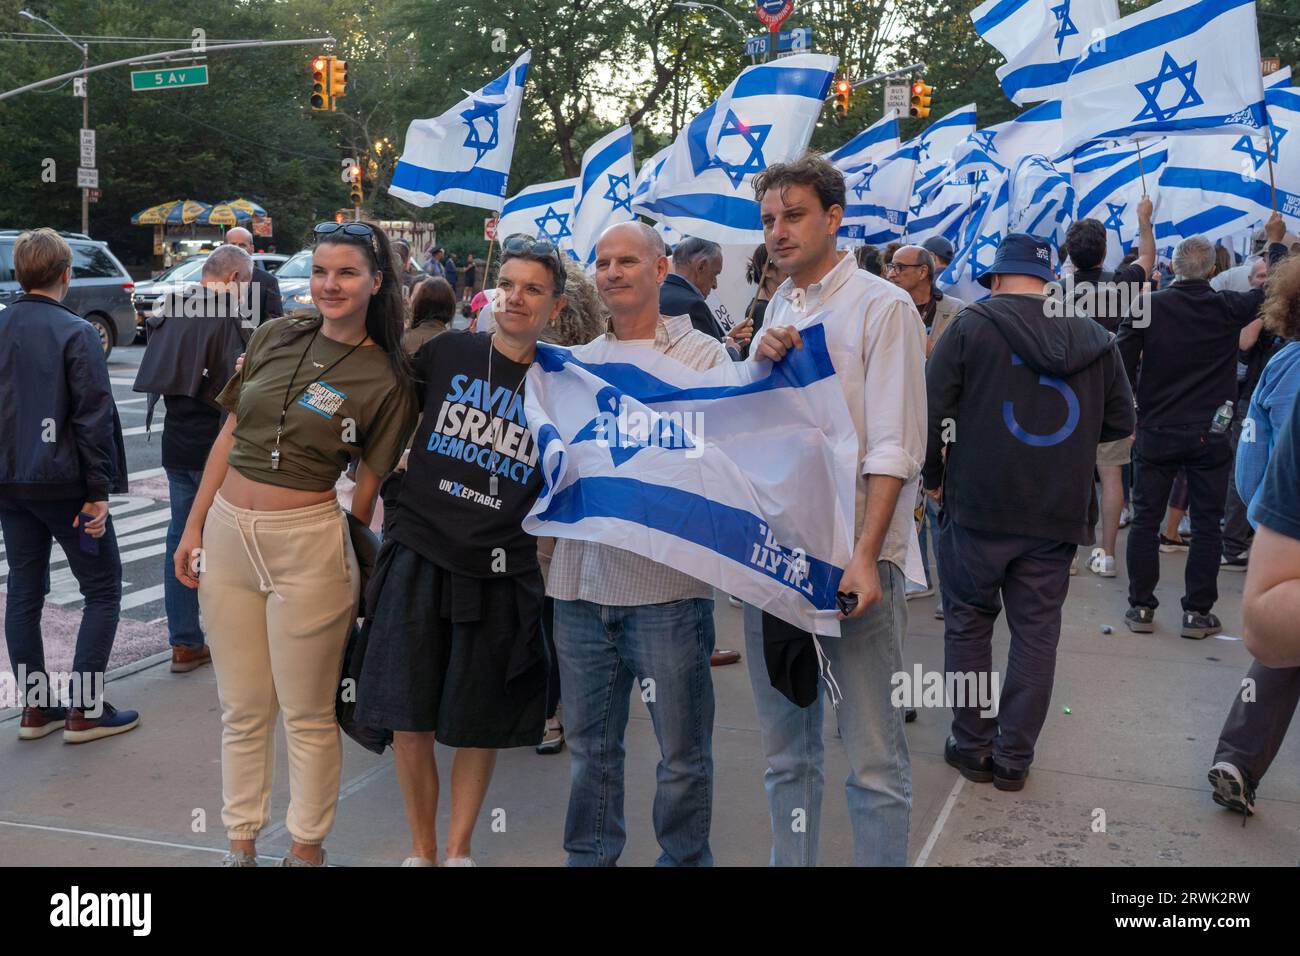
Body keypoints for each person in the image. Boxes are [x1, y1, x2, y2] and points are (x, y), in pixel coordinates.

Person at [175, 221, 418, 867]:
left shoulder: (388, 377)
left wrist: (331, 540)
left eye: (344, 273)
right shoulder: (276, 333)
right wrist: (195, 525)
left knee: (308, 712)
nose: (329, 284)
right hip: (228, 532)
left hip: (308, 542)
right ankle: (241, 846)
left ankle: (306, 848)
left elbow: (368, 487)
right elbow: (229, 433)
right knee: (242, 707)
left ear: (375, 281)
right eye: (319, 271)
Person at [353, 234, 566, 867]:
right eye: (509, 284)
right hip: (418, 551)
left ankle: (459, 849)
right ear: (493, 291)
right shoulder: (448, 351)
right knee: (406, 713)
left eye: (534, 289)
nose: (517, 298)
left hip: (501, 570)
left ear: (555, 305)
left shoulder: (564, 382)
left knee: (479, 718)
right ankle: (421, 850)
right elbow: (380, 404)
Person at [748, 154, 926, 866]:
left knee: (873, 761)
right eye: (768, 220)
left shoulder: (883, 307)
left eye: (793, 215)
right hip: (778, 563)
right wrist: (759, 365)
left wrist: (866, 554)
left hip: (854, 565)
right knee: (786, 755)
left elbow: (893, 448)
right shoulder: (780, 305)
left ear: (833, 217)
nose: (779, 231)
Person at [924, 233, 1135, 792]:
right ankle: (1014, 757)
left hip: (977, 506)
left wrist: (933, 479)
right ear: (1051, 281)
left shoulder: (969, 326)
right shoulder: (1095, 338)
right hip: (1056, 510)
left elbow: (931, 409)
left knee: (968, 625)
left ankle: (972, 746)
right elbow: (1120, 422)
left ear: (995, 278)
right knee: (1037, 635)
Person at [550, 221, 728, 866]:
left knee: (682, 756)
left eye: (628, 261)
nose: (613, 272)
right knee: (591, 752)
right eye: (602, 263)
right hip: (578, 587)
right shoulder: (575, 368)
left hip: (666, 594)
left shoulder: (704, 360)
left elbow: (721, 460)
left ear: (660, 271)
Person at [1116, 214, 1288, 639]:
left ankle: (1140, 607)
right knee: (1207, 523)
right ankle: (1196, 612)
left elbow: (1119, 361)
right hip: (1210, 431)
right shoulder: (1227, 306)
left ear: (1173, 267)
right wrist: (1275, 244)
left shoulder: (1148, 307)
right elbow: (1272, 289)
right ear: (1212, 270)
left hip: (1157, 427)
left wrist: (1129, 411)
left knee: (1144, 520)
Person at [0, 228, 136, 743]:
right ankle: (85, 709)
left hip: (10, 484)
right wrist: (98, 493)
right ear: (65, 273)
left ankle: (36, 709)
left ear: (20, 271)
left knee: (24, 591)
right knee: (102, 588)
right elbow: (92, 419)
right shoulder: (76, 332)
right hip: (65, 484)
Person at [1208, 255, 1300, 817]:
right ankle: (1238, 759)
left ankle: (1238, 759)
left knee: (1279, 648)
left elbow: (1253, 459)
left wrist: (1262, 513)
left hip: (1282, 527)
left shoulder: (1285, 365)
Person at [133, 245, 252, 673]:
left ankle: (184, 641)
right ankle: (231, 640)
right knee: (225, 544)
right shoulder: (233, 317)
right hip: (217, 446)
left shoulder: (172, 309)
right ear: (236, 278)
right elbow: (237, 390)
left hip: (176, 442)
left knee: (183, 536)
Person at [534, 259, 611, 757]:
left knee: (543, 607)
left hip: (539, 504)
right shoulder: (579, 366)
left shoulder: (565, 367)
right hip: (562, 503)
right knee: (552, 608)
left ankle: (546, 710)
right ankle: (553, 711)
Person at [1061, 196, 1155, 578]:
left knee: (1070, 474)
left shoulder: (1057, 292)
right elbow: (1147, 258)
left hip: (1067, 397)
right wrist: (1144, 219)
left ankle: (1065, 554)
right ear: (1104, 252)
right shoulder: (1123, 285)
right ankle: (1107, 553)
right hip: (1115, 392)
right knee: (1112, 476)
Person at [1221, 258, 1281, 570]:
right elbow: (1245, 341)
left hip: (1271, 404)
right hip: (1251, 404)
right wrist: (1266, 307)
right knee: (1244, 473)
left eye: (1270, 277)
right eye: (1260, 276)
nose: (1265, 281)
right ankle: (1232, 546)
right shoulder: (1256, 311)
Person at [887, 244, 964, 359]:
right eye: (891, 267)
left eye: (899, 267)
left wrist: (928, 348)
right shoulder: (885, 308)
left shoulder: (955, 309)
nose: (890, 274)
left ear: (922, 272)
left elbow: (961, 361)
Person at [660, 236, 726, 340]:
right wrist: (732, 350)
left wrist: (725, 340)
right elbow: (710, 355)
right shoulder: (694, 306)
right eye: (714, 274)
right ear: (701, 266)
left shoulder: (657, 294)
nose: (715, 285)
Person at [225, 227, 282, 324]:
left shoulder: (268, 281)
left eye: (242, 245)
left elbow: (275, 322)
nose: (237, 249)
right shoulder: (214, 278)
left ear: (252, 249)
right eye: (233, 244)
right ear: (224, 247)